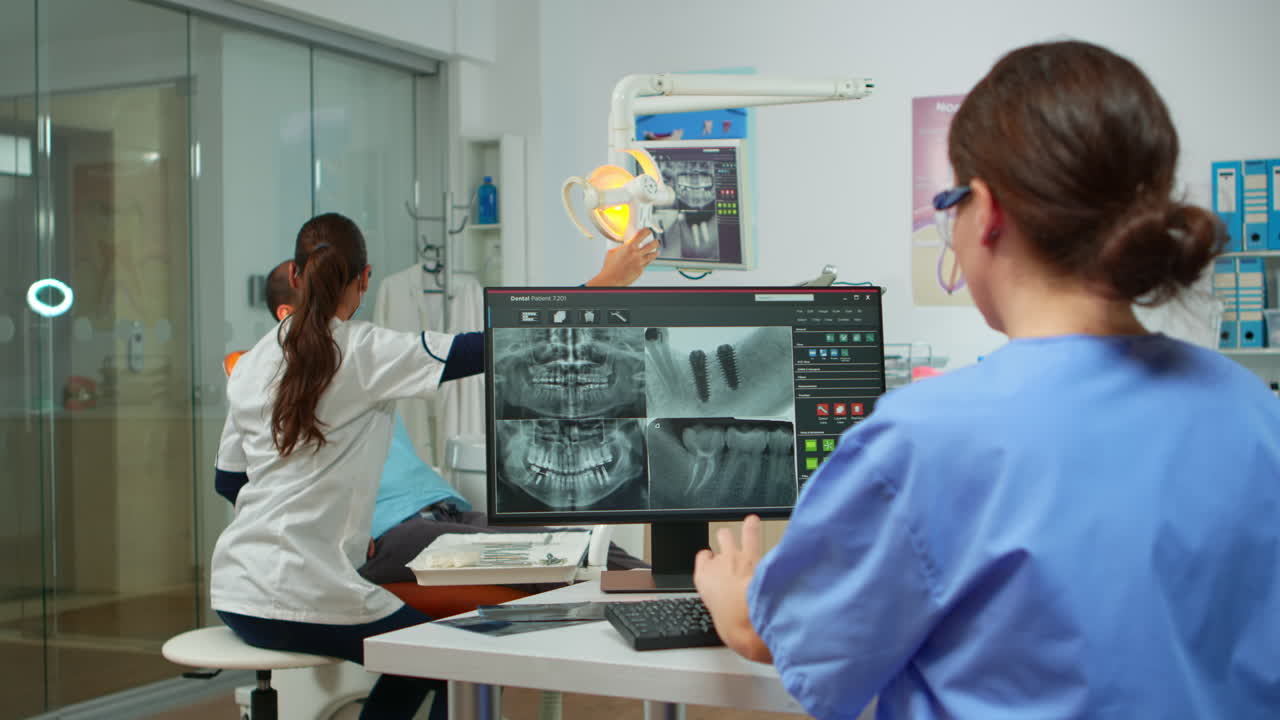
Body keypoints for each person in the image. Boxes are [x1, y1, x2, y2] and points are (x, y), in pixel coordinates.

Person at [692, 40, 1280, 719]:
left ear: (987, 210)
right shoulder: (1251, 412)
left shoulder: (924, 440)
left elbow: (783, 638)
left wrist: (732, 599)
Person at [211, 216, 655, 720]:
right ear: (364, 280)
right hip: (305, 595)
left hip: (237, 588)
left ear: (295, 275)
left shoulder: (251, 365)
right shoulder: (363, 351)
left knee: (416, 660)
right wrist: (601, 286)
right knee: (453, 659)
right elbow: (492, 344)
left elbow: (229, 481)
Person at [237, 254, 651, 589]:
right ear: (286, 313)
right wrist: (600, 286)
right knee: (562, 554)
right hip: (389, 533)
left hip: (444, 508)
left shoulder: (361, 356)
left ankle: (685, 596)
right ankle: (686, 605)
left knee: (585, 544)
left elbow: (484, 346)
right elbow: (239, 486)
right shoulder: (259, 382)